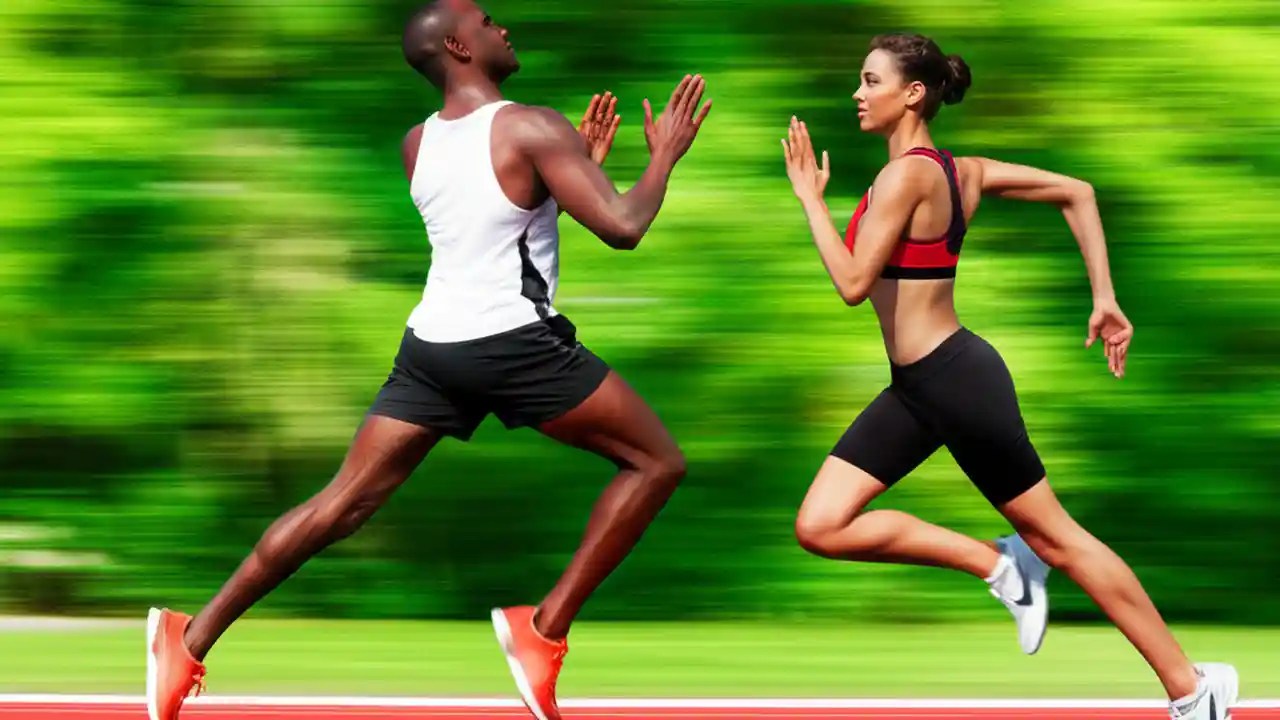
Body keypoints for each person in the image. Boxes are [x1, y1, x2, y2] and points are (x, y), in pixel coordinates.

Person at [144, 2, 712, 719]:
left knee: (340, 504)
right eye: (486, 21)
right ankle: (543, 630)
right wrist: (663, 155)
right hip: (513, 344)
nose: (502, 27)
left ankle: (189, 637)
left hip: (434, 347)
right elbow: (624, 227)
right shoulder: (533, 126)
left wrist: (577, 170)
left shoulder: (420, 144)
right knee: (656, 463)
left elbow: (498, 224)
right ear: (457, 46)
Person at [780, 32, 1236, 720]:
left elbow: (851, 284)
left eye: (871, 81)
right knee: (820, 524)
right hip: (917, 389)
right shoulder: (961, 171)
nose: (857, 94)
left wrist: (811, 199)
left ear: (913, 94)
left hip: (955, 382)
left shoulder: (906, 177)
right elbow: (1076, 193)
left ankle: (1192, 688)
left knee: (1061, 539)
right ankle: (1000, 564)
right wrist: (1104, 297)